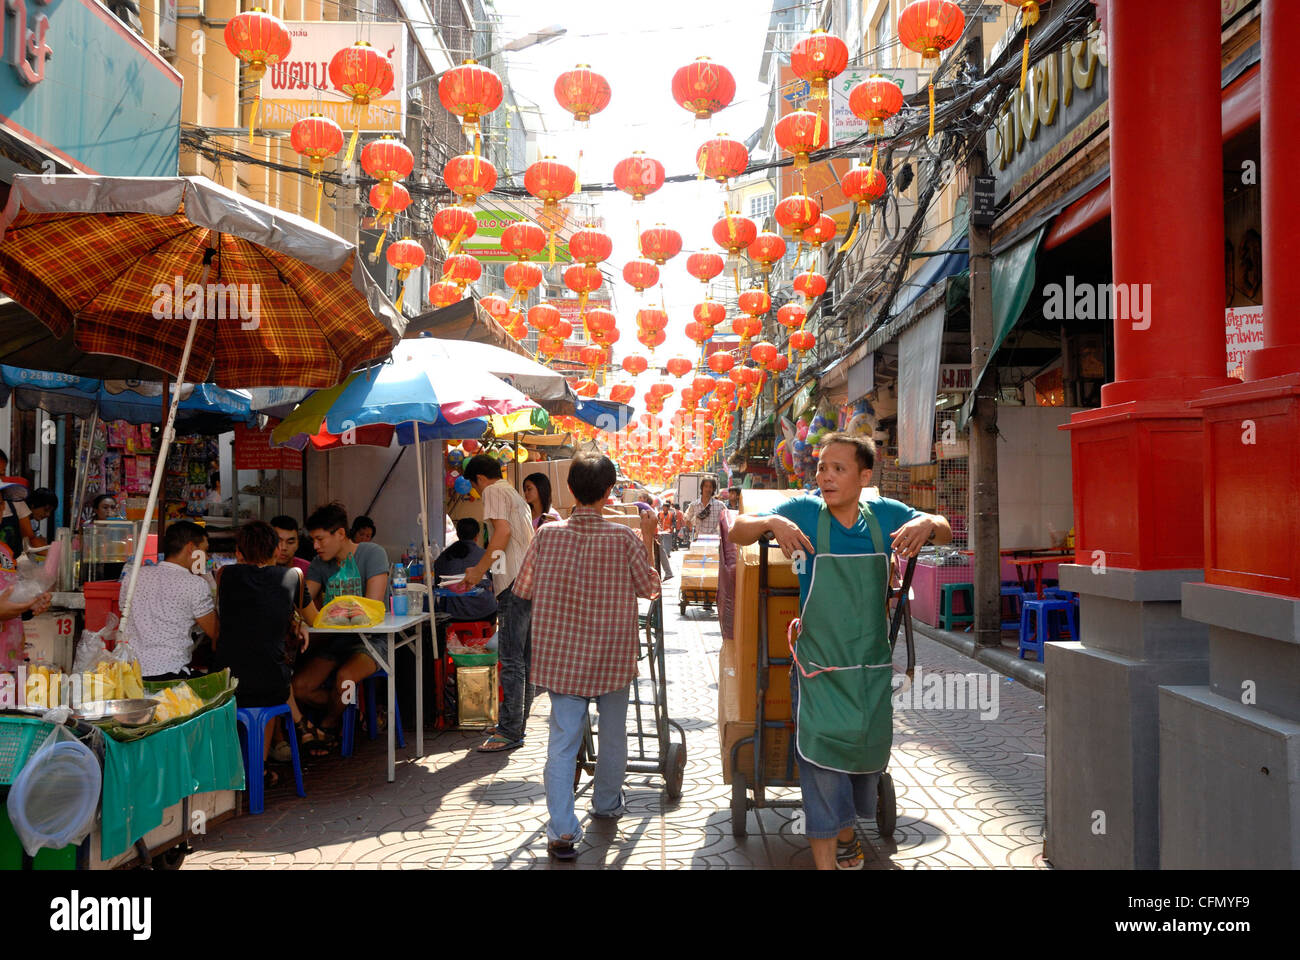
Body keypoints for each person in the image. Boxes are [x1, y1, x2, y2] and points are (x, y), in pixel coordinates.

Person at [729, 433, 951, 871]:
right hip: (816, 671)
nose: (825, 477)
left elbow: (943, 527)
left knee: (863, 762)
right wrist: (774, 524)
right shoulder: (805, 512)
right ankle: (827, 859)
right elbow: (739, 529)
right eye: (821, 468)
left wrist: (928, 522)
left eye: (837, 469)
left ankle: (847, 832)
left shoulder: (884, 516)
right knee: (820, 765)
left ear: (865, 477)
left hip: (868, 670)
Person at [511, 452, 660, 860]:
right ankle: (607, 803)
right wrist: (648, 537)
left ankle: (562, 831)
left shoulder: (547, 536)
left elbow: (522, 589)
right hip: (612, 657)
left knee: (562, 743)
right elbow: (651, 588)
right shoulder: (624, 538)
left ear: (570, 491)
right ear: (610, 492)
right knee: (613, 735)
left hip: (561, 659)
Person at [214, 521, 309, 779]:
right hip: (272, 683)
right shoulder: (294, 577)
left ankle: (235, 768)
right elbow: (305, 613)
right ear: (275, 549)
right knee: (267, 690)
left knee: (241, 690)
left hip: (227, 682)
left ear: (239, 552)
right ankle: (259, 766)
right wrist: (298, 622)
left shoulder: (224, 575)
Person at [453, 454, 534, 753]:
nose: (476, 493)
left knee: (512, 661)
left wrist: (477, 570)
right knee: (523, 661)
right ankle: (514, 723)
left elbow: (502, 533)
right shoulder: (512, 492)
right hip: (526, 580)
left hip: (514, 583)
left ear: (478, 480)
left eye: (473, 487)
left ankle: (510, 730)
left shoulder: (493, 491)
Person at [292, 502, 389, 750]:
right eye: (313, 540)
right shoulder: (318, 564)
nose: (315, 546)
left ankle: (328, 726)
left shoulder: (372, 553)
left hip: (372, 640)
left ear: (341, 534)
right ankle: (349, 707)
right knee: (300, 688)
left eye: (320, 539)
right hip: (335, 640)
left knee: (345, 680)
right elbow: (303, 600)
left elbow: (372, 605)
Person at [123, 521, 219, 680]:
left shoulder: (132, 577)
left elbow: (127, 615)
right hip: (172, 673)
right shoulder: (196, 584)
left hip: (131, 672)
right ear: (191, 549)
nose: (207, 557)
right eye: (205, 550)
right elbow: (215, 632)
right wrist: (208, 578)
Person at [433, 518, 497, 633]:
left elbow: (437, 583)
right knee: (493, 604)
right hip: (483, 613)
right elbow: (494, 584)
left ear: (457, 534)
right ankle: (489, 644)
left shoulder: (443, 556)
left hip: (453, 614)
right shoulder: (485, 556)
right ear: (477, 536)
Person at [0, 485, 56, 553]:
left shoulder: (17, 504)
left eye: (1, 503)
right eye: (46, 510)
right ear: (33, 504)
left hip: (12, 560)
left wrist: (54, 555)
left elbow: (31, 539)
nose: (48, 514)